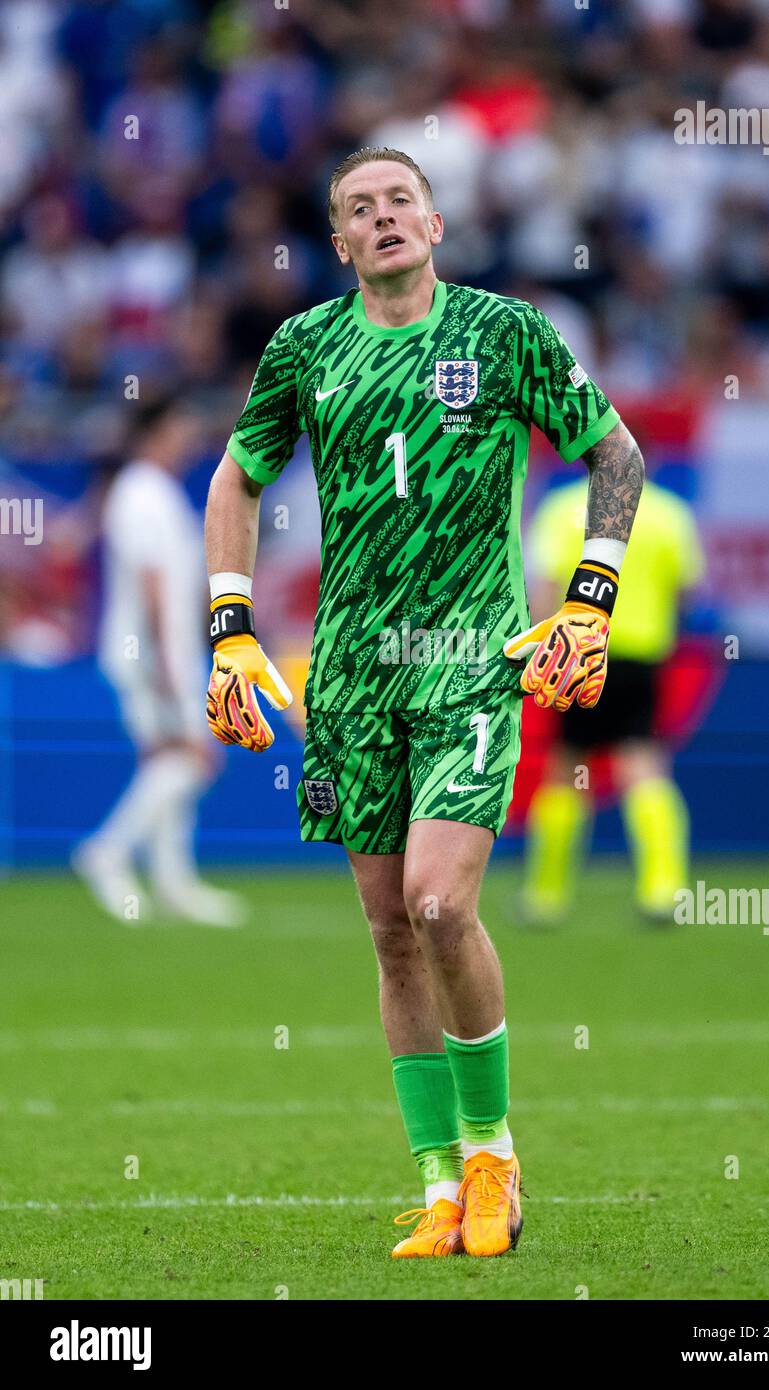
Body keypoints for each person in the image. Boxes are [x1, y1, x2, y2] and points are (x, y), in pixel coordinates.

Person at [204, 147, 644, 1258]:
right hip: (350, 677)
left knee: (440, 904)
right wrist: (229, 627)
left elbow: (615, 456)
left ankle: (494, 1156)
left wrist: (587, 604)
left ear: (436, 223)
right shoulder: (303, 347)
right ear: (340, 243)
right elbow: (235, 478)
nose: (382, 216)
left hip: (468, 662)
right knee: (391, 932)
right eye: (358, 208)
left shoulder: (504, 333)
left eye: (400, 199)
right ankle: (439, 1183)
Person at [73, 396, 245, 929]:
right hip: (150, 656)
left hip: (166, 652)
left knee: (170, 761)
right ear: (156, 430)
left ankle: (174, 882)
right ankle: (108, 850)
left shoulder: (158, 494)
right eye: (182, 428)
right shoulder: (140, 494)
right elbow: (152, 592)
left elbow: (181, 588)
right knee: (190, 759)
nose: (191, 440)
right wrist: (169, 672)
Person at [522, 474, 705, 923]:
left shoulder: (563, 508)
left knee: (567, 769)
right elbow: (686, 592)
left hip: (579, 652)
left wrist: (541, 649)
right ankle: (663, 891)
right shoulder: (669, 514)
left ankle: (546, 897)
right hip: (640, 658)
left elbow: (544, 588)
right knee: (642, 764)